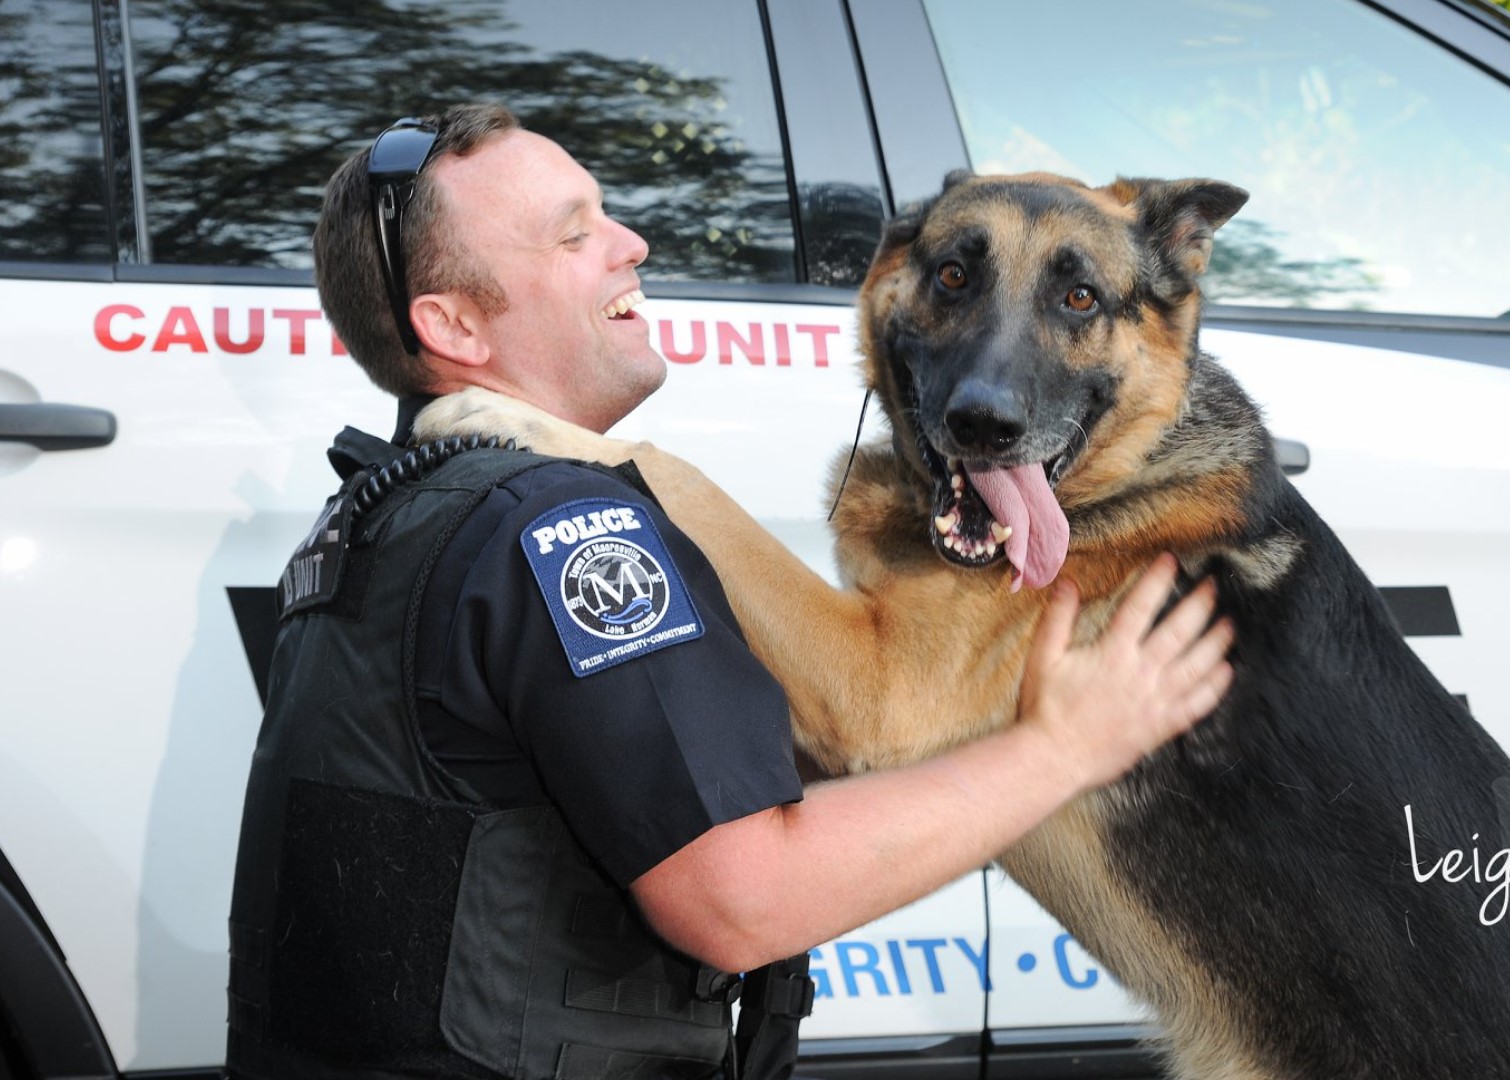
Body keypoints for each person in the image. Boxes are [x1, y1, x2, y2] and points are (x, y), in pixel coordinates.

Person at [225, 103, 1233, 1080]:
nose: (632, 243)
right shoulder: (562, 528)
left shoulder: (381, 512)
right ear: (453, 324)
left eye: (607, 212)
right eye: (574, 235)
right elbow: (744, 903)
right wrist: (1066, 748)